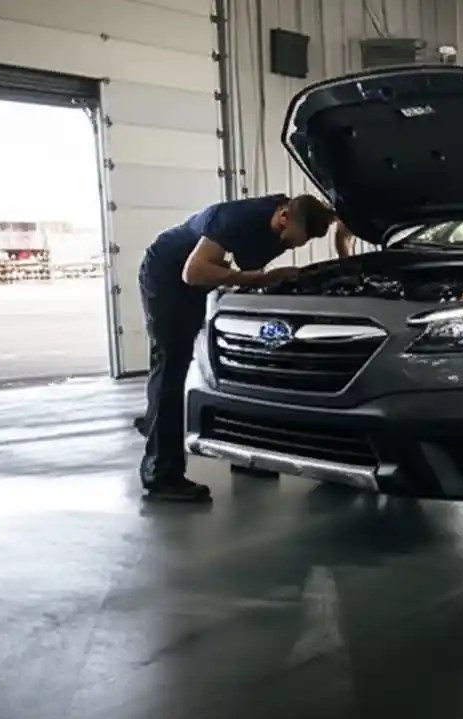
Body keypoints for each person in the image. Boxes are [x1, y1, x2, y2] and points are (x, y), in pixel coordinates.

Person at [136, 193, 335, 502]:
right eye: (291, 240)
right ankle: (161, 473)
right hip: (167, 274)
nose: (288, 246)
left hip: (200, 282)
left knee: (237, 366)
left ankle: (243, 452)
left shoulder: (285, 222)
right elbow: (193, 271)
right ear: (283, 217)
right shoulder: (234, 218)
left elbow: (240, 273)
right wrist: (258, 278)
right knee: (171, 364)